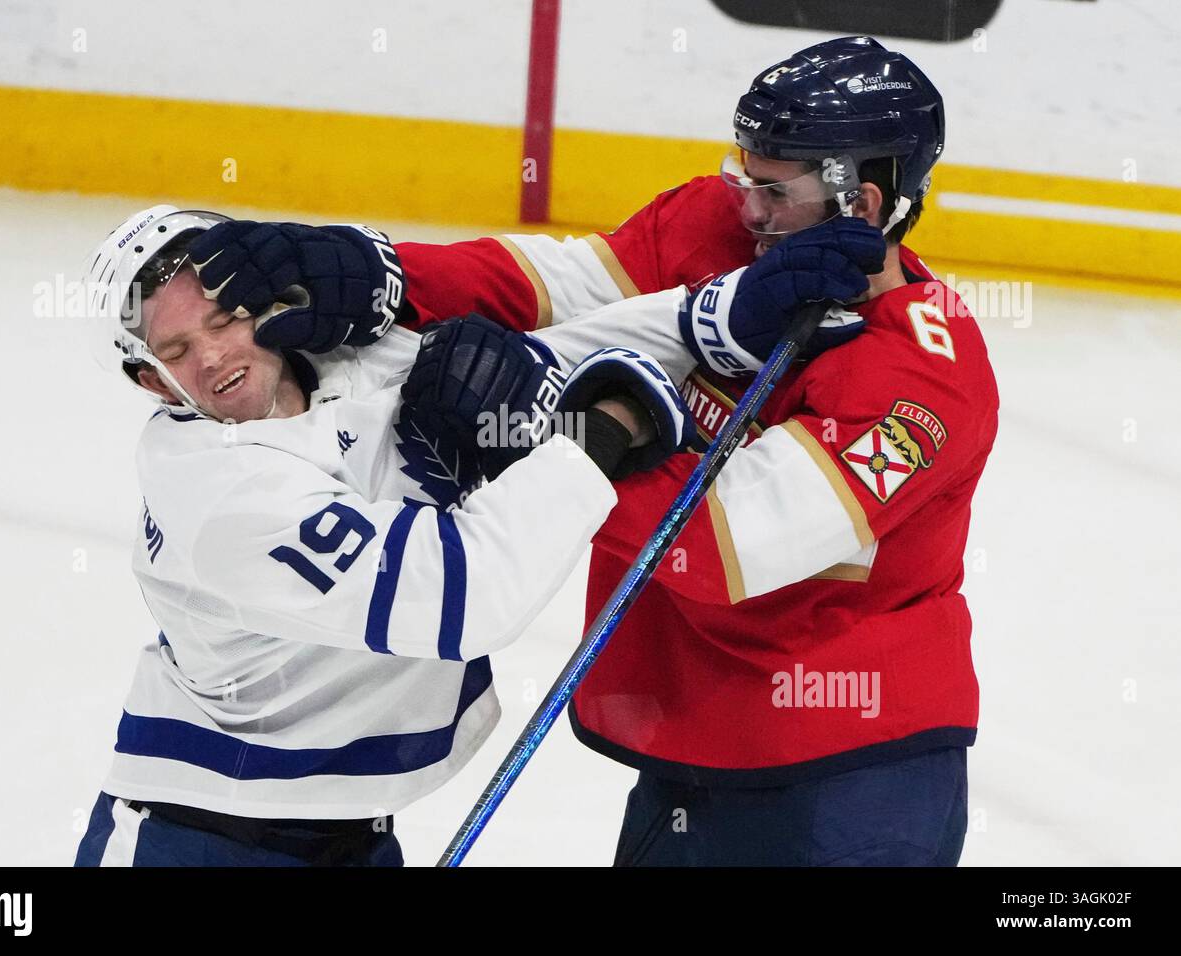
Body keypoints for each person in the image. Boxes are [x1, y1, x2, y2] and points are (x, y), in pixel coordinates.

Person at [197, 35, 1000, 866]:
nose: (746, 207)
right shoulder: (717, 229)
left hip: (850, 782)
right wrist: (380, 274)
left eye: (771, 189)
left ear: (861, 205)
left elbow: (725, 546)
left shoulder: (923, 380)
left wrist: (542, 428)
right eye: (742, 177)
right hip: (702, 744)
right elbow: (547, 289)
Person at [71, 205, 700, 866]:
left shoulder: (342, 359)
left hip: (348, 828)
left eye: (224, 319)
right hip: (203, 840)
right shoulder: (218, 494)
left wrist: (719, 318)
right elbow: (469, 597)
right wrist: (599, 432)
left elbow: (552, 335)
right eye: (176, 351)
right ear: (151, 381)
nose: (214, 356)